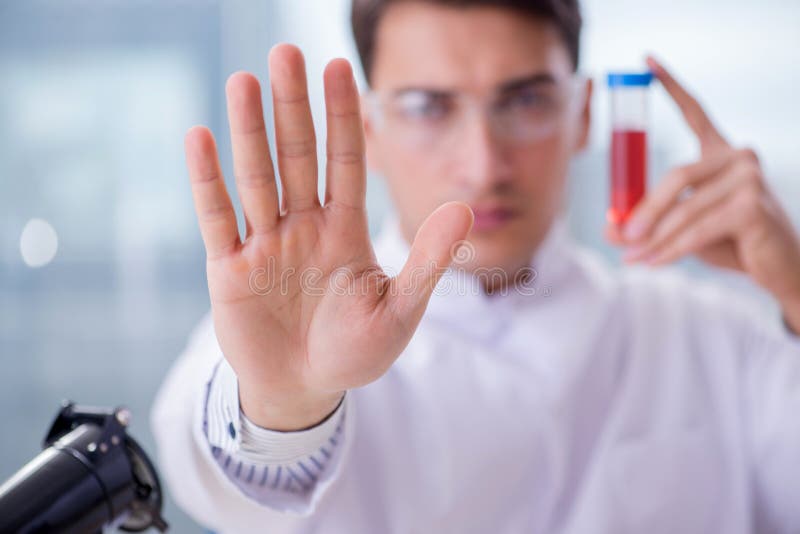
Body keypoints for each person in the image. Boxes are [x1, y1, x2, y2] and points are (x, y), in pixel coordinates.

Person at [151, 1, 800, 532]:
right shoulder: (284, 330)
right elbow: (207, 464)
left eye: (524, 102)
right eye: (429, 107)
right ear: (370, 133)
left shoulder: (715, 336)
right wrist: (287, 405)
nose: (484, 165)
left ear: (583, 116)